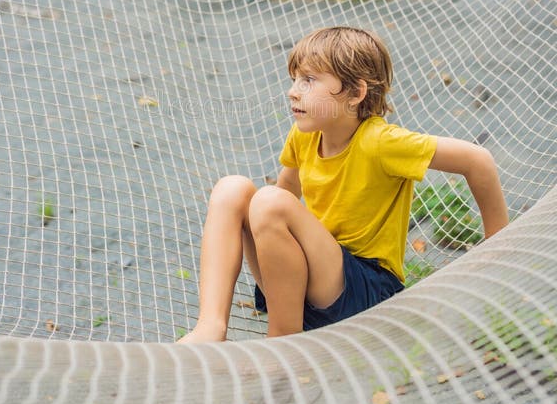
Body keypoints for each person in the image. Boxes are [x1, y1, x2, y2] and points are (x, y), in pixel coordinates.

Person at [178, 27, 508, 343]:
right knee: (231, 188)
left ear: (355, 93)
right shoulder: (305, 136)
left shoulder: (381, 142)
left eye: (308, 80)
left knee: (269, 201)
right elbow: (281, 201)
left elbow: (477, 160)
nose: (293, 90)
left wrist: (496, 246)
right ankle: (211, 326)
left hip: (366, 292)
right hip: (301, 287)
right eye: (295, 79)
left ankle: (282, 339)